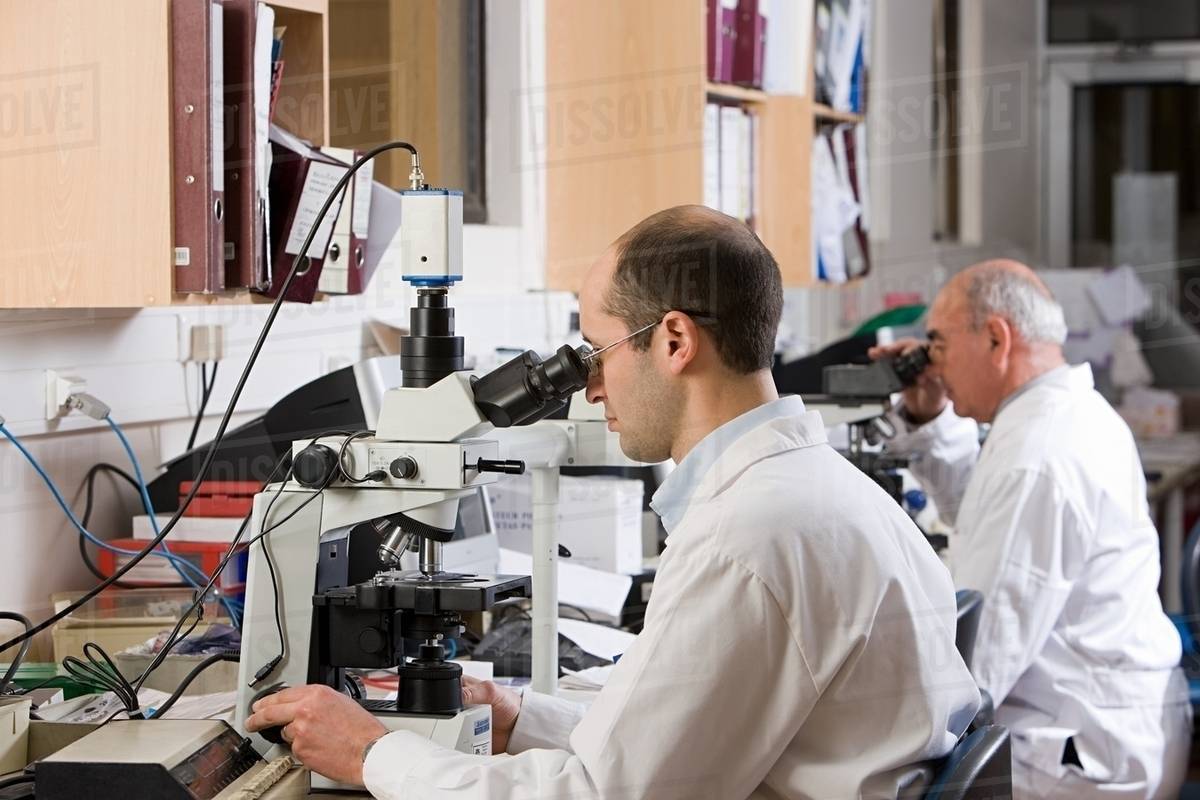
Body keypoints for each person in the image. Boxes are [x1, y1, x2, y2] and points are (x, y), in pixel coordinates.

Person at [247, 205, 980, 799]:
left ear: (673, 341)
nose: (592, 388)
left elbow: (601, 795)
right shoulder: (818, 489)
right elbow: (678, 739)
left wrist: (375, 753)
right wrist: (520, 717)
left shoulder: (746, 536)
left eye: (595, 354)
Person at [871, 259, 1192, 799]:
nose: (933, 364)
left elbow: (978, 664)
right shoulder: (1060, 415)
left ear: (996, 339)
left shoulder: (1039, 454)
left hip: (1079, 757)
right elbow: (981, 505)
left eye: (938, 344)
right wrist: (929, 416)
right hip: (1113, 722)